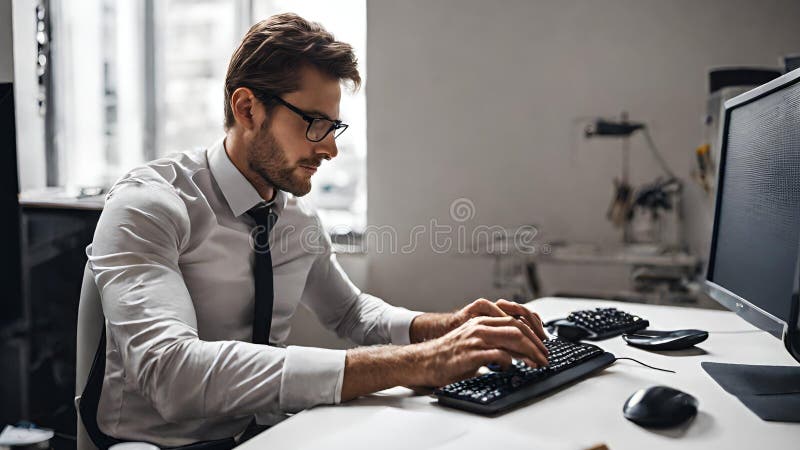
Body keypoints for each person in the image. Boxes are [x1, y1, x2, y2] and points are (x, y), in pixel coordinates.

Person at [86, 12, 548, 448]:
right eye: (314, 125)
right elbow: (173, 376)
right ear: (247, 108)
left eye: (334, 127)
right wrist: (418, 362)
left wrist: (444, 327)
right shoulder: (150, 204)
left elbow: (351, 314)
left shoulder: (295, 218)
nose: (330, 149)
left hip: (266, 434)